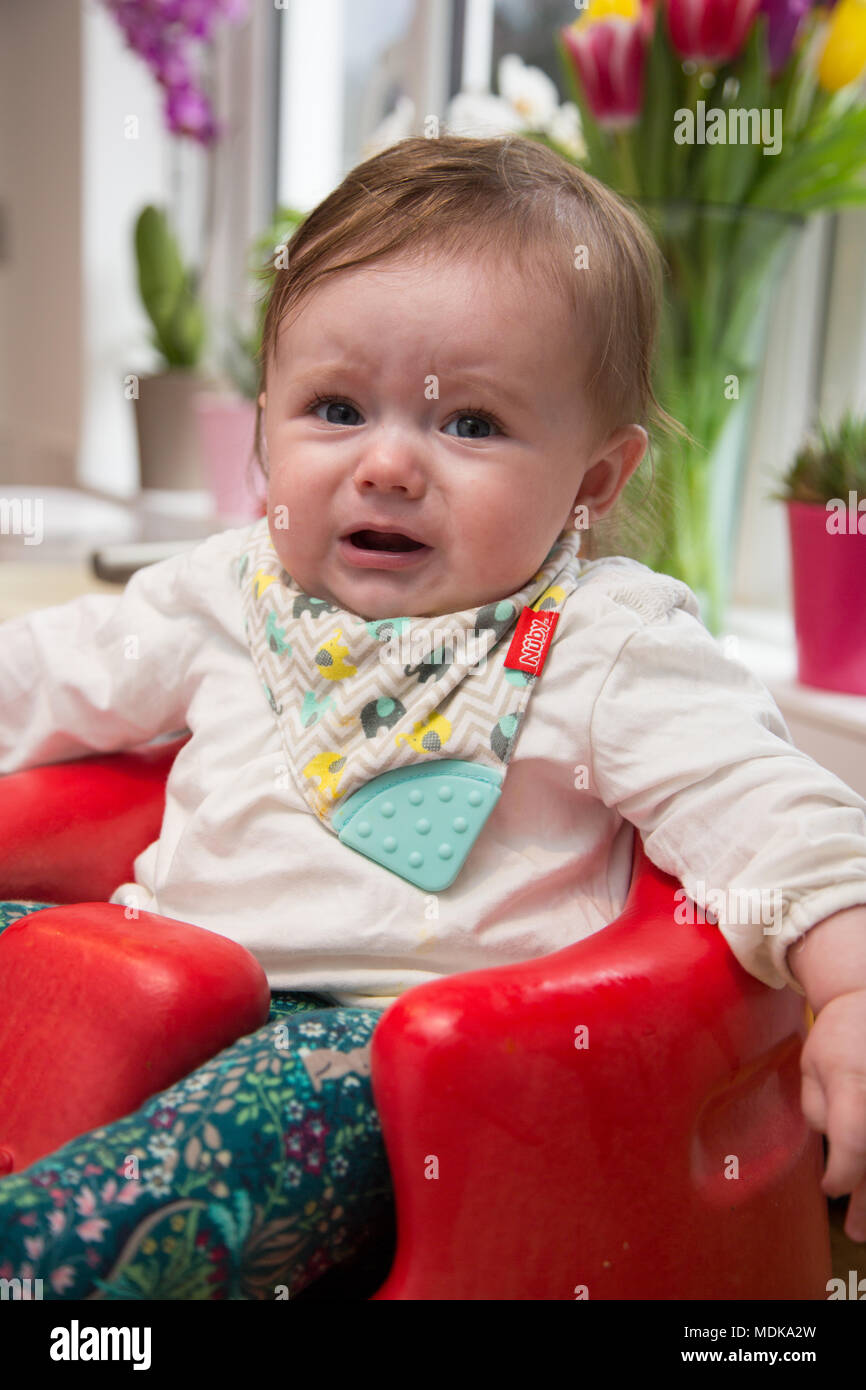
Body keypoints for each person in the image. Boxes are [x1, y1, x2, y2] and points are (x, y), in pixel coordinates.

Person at [1, 135, 865, 1301]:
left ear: (595, 478)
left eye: (468, 424)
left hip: (399, 1063)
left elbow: (768, 816)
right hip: (160, 975)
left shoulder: (606, 643)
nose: (389, 464)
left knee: (164, 1186)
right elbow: (45, 677)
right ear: (263, 426)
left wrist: (853, 989)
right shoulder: (224, 589)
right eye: (335, 407)